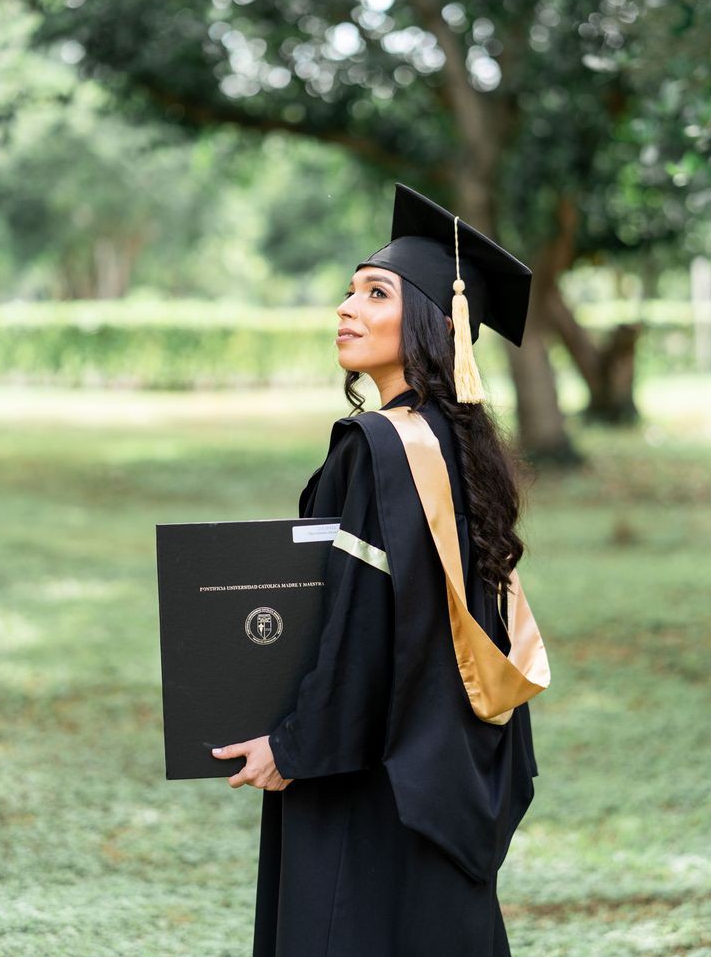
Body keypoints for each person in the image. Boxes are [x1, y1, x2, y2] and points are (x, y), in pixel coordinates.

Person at [212, 183, 550, 956]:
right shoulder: (466, 447)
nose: (346, 307)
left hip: (367, 774)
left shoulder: (379, 449)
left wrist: (293, 746)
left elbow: (359, 623)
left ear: (434, 321)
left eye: (375, 293)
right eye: (348, 290)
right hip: (440, 764)